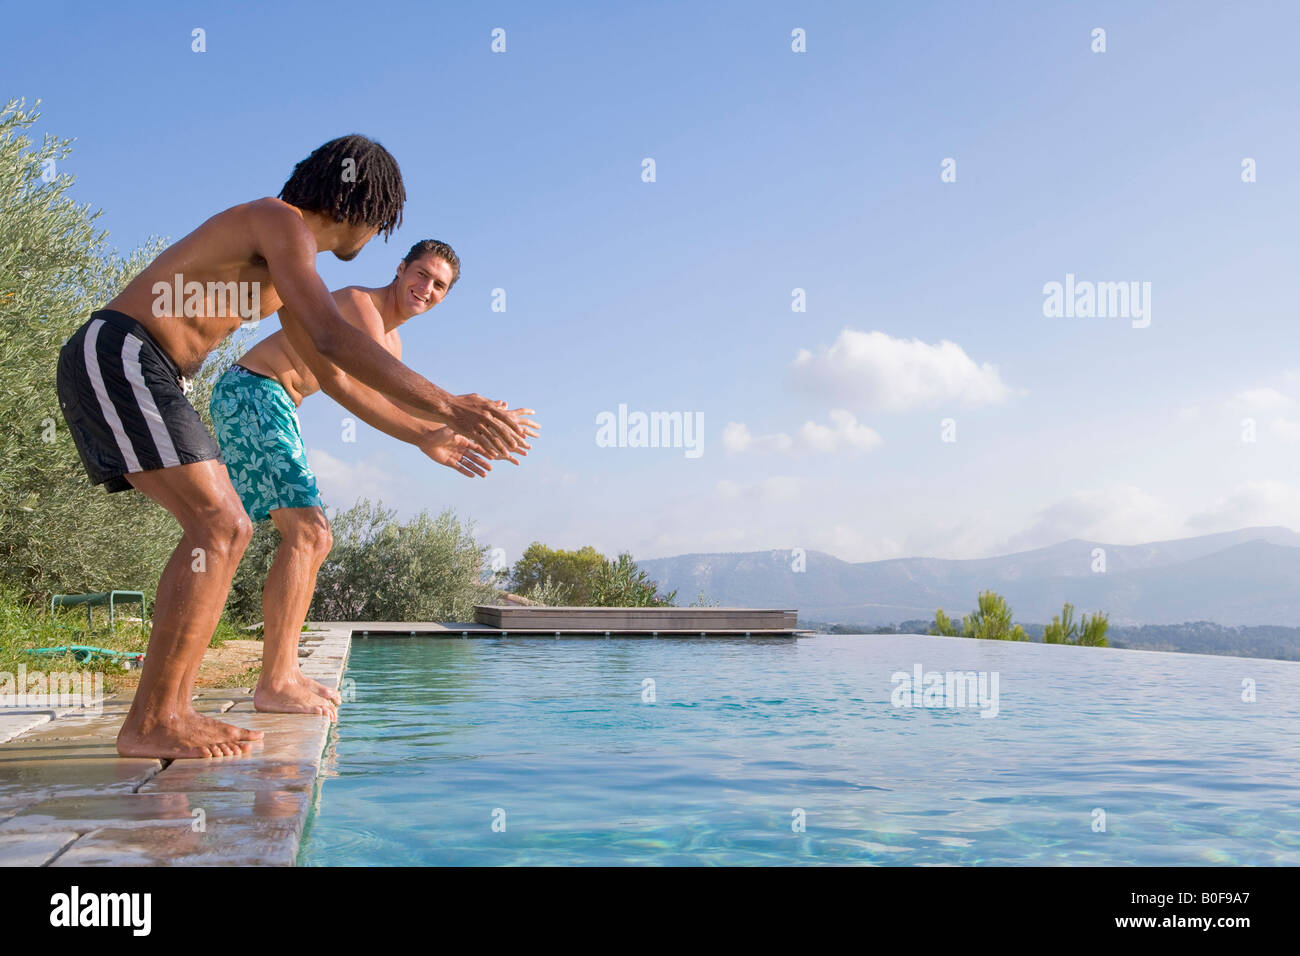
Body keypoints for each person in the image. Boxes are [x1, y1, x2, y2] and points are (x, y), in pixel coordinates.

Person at [55, 135, 530, 759]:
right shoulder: (279, 223)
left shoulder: (288, 268)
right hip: (122, 353)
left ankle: (164, 713)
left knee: (225, 527)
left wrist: (426, 435)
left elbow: (329, 372)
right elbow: (333, 339)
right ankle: (154, 720)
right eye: (385, 220)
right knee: (221, 525)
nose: (379, 234)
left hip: (153, 369)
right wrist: (450, 405)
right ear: (360, 202)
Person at [210, 239, 539, 720]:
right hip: (253, 393)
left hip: (273, 402)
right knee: (306, 533)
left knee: (312, 539)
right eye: (421, 274)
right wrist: (446, 418)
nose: (426, 288)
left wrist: (444, 432)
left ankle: (283, 674)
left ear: (445, 297)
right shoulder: (360, 305)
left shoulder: (393, 342)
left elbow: (391, 397)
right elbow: (359, 389)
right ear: (401, 268)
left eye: (439, 285)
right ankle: (276, 681)